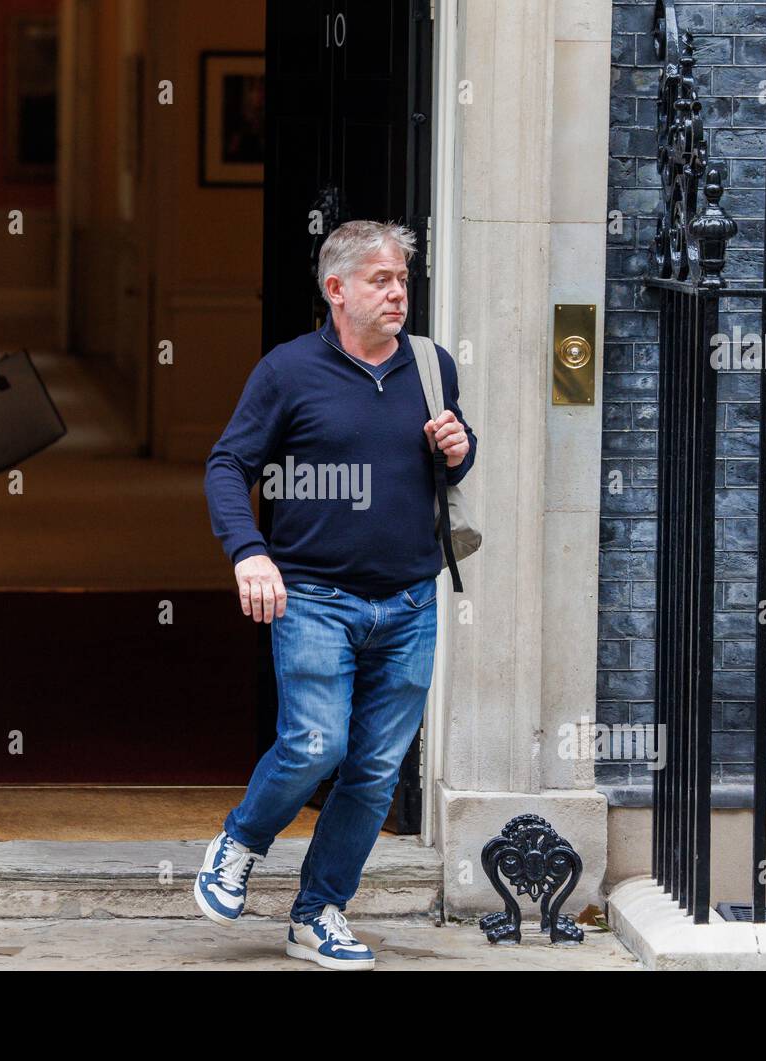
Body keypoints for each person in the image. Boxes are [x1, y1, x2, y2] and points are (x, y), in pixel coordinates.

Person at [197, 219, 478, 970]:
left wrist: (460, 448)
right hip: (315, 598)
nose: (397, 292)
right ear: (336, 289)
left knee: (377, 769)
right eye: (382, 279)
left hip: (411, 601)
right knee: (316, 743)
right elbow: (227, 466)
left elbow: (451, 462)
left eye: (403, 280)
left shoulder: (430, 364)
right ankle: (241, 840)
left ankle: (318, 911)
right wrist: (249, 552)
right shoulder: (288, 372)